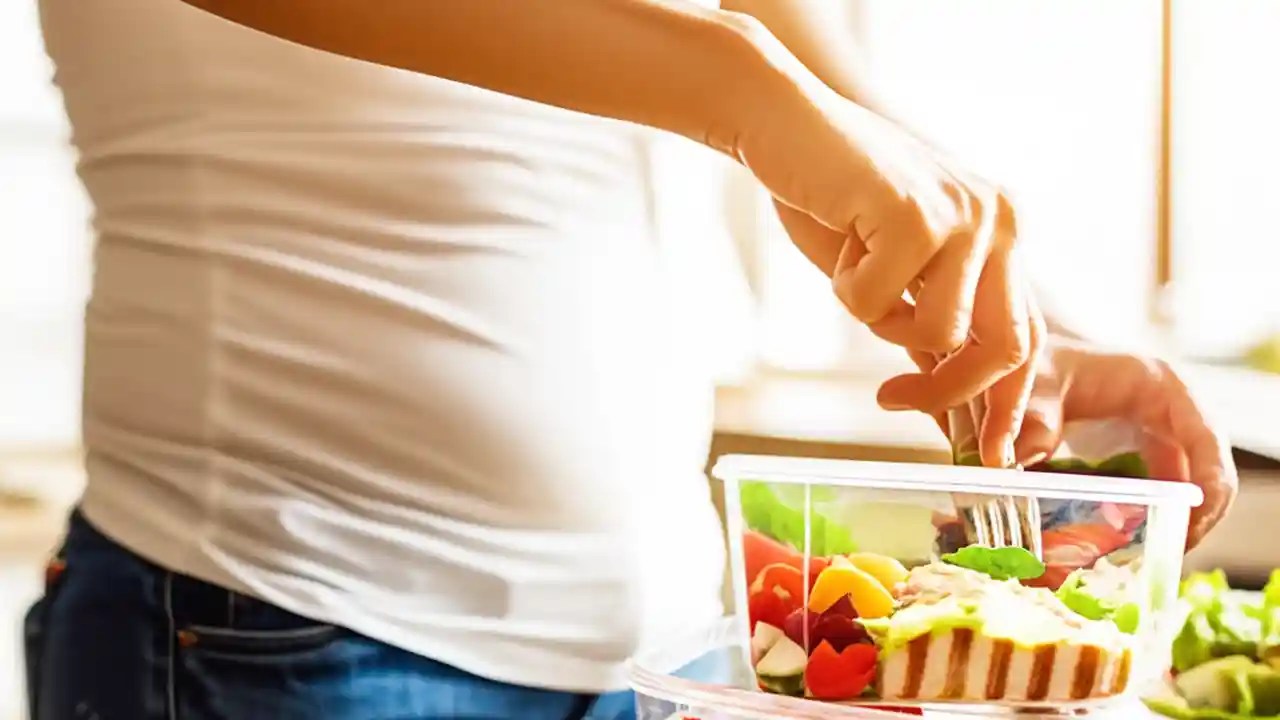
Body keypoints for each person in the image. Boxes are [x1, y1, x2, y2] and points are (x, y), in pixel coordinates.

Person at [26, 1, 1236, 719]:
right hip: (287, 611)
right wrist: (737, 89)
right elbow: (734, 63)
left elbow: (757, 27)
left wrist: (1006, 306)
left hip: (649, 643)